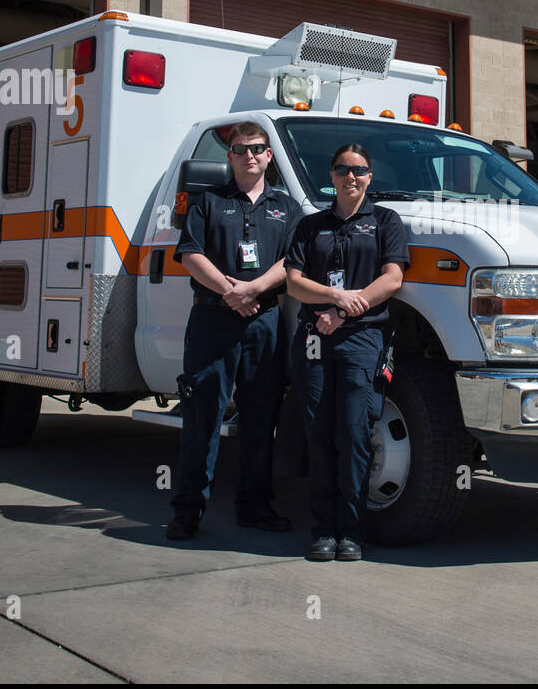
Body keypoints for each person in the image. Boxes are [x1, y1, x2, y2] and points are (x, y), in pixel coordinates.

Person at [166, 121, 301, 540]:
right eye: (240, 150)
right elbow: (190, 254)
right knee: (202, 419)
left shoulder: (287, 207)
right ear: (230, 157)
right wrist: (230, 291)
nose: (249, 156)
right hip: (213, 321)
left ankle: (255, 507)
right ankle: (187, 512)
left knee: (261, 421)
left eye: (257, 149)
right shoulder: (207, 203)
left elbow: (292, 261)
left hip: (264, 322)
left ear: (269, 156)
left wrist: (255, 289)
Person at [286, 144, 409, 561]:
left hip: (362, 338)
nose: (350, 177)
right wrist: (336, 296)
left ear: (369, 177)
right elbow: (294, 283)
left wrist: (340, 310)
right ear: (332, 175)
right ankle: (323, 530)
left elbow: (392, 278)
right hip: (314, 338)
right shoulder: (311, 226)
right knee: (319, 433)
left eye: (358, 170)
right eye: (342, 169)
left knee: (355, 433)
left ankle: (352, 531)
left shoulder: (385, 222)